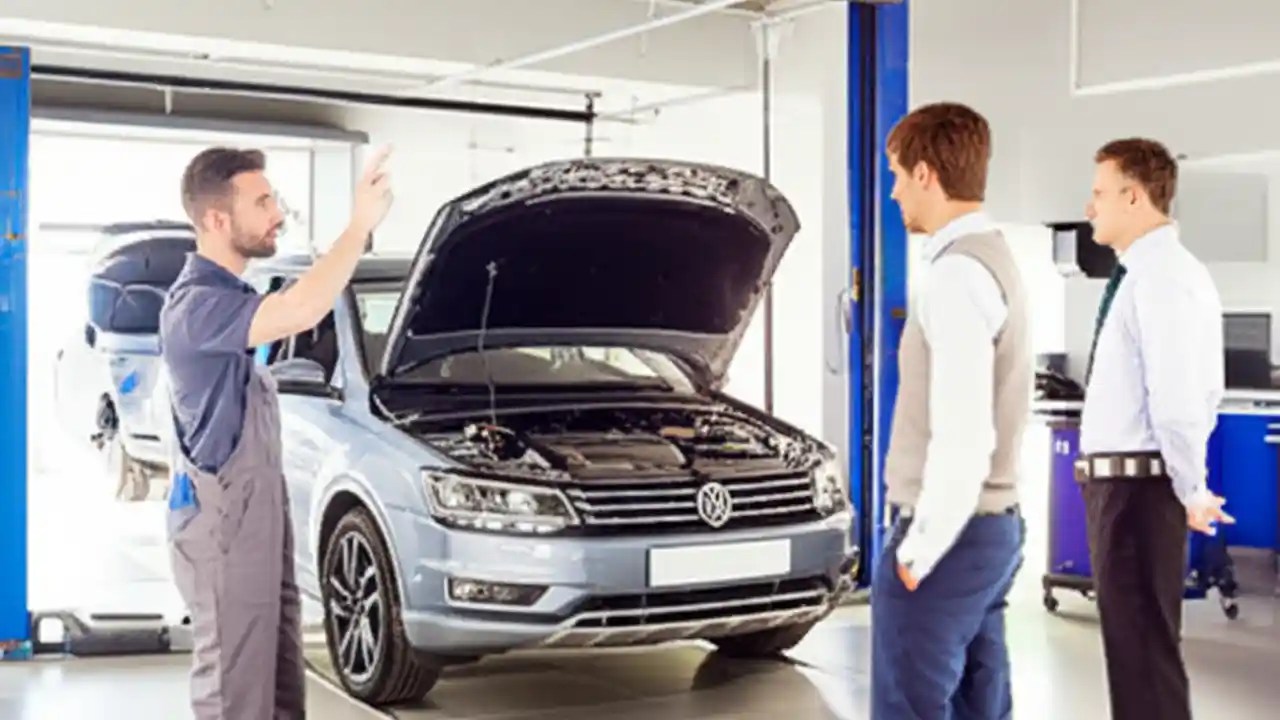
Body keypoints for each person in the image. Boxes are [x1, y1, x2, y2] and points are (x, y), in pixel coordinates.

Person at [160, 145, 393, 719]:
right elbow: (300, 311)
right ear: (217, 220)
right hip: (222, 530)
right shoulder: (198, 308)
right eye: (262, 201)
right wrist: (359, 225)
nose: (278, 213)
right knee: (235, 693)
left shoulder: (232, 299)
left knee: (279, 683)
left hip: (257, 520)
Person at [870, 101, 1031, 720]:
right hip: (991, 528)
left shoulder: (957, 276)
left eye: (897, 175)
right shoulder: (996, 258)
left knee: (908, 705)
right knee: (979, 705)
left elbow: (963, 433)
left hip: (951, 536)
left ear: (927, 175)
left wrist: (918, 548)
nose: (893, 193)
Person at [1078, 137, 1232, 720]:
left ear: (1134, 197)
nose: (1090, 207)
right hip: (1126, 488)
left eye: (1099, 193)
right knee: (1135, 653)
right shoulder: (1144, 274)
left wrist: (1192, 488)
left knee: (1143, 656)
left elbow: (1179, 400)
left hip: (1138, 490)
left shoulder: (1163, 276)